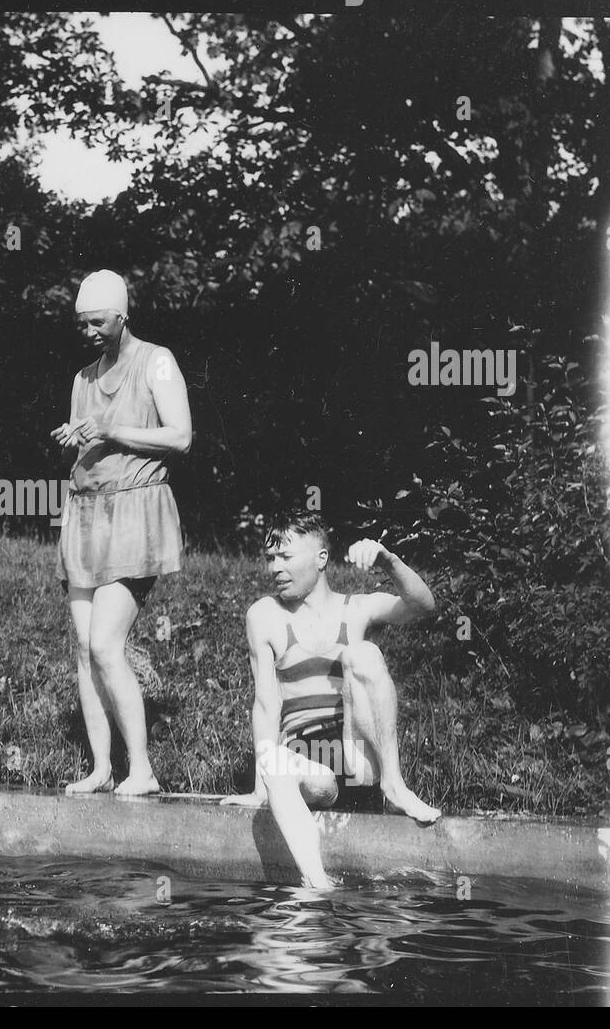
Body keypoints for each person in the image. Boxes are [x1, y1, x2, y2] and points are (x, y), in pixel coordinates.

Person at [220, 512, 441, 888]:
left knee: (364, 654)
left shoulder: (355, 608)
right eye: (271, 558)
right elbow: (265, 702)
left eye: (286, 557)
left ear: (321, 559)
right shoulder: (264, 615)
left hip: (354, 754)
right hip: (308, 767)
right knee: (273, 759)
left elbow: (423, 606)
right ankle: (318, 886)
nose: (275, 568)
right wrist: (261, 785)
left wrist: (388, 560)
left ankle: (393, 784)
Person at [51, 270, 192, 796]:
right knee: (85, 649)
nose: (87, 331)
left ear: (122, 315)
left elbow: (180, 437)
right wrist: (73, 437)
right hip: (85, 514)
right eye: (80, 323)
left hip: (136, 512)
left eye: (96, 322)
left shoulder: (156, 360)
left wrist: (109, 429)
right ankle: (101, 768)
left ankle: (143, 771)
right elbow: (86, 441)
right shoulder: (83, 378)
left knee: (108, 644)